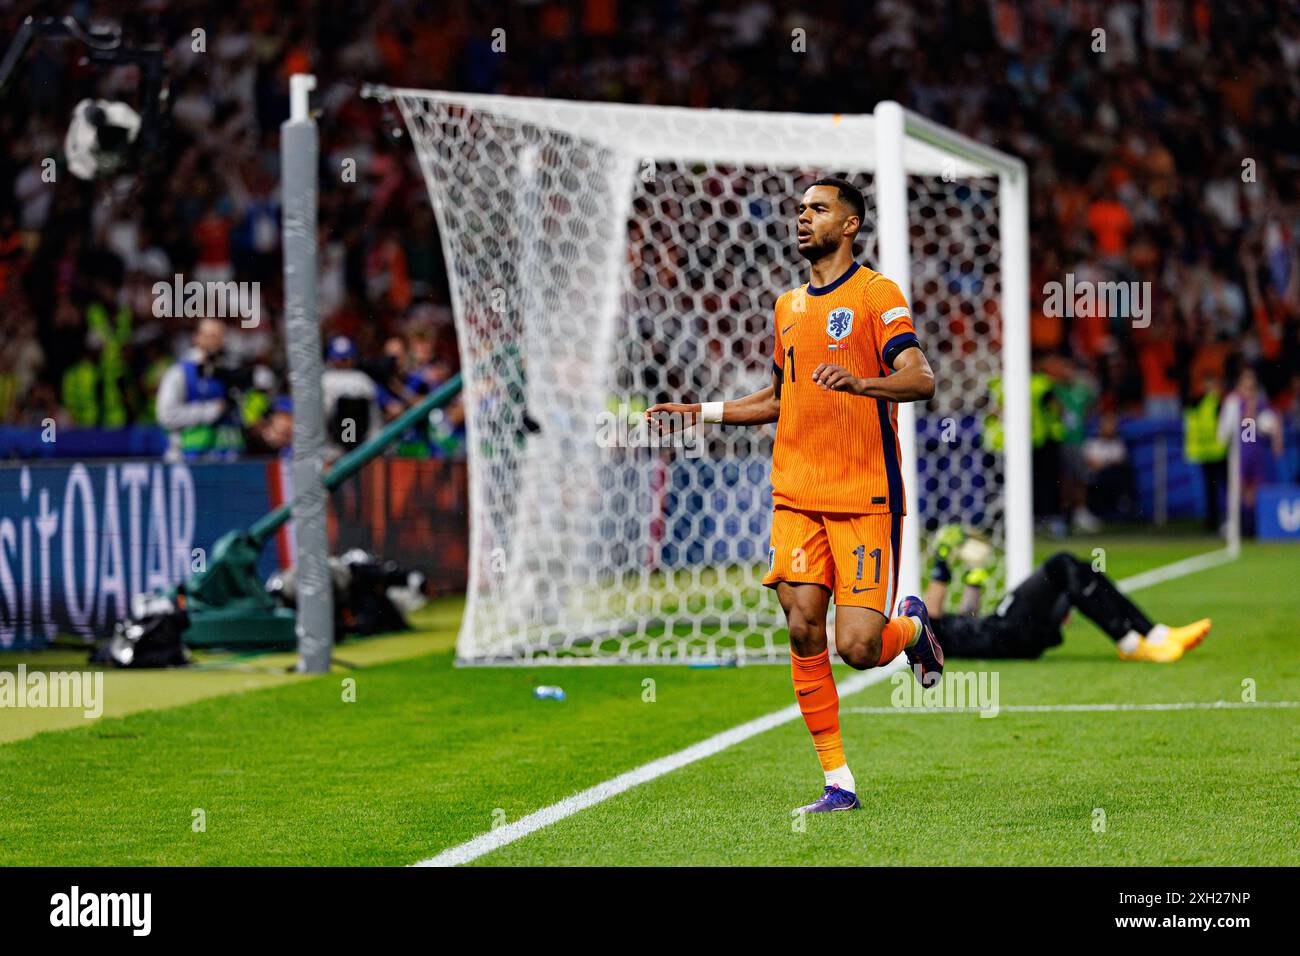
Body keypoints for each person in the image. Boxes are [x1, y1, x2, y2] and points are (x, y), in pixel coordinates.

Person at [647, 177, 940, 814]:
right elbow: (782, 399)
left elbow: (921, 379)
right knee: (804, 628)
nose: (802, 218)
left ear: (851, 223)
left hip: (864, 495)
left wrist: (863, 382)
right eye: (800, 209)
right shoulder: (788, 307)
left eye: (818, 209)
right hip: (798, 494)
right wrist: (701, 412)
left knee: (858, 648)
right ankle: (839, 782)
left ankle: (914, 629)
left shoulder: (875, 294)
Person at [922, 526, 1211, 663]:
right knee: (1061, 564)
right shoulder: (928, 633)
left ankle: (1154, 633)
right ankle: (1134, 643)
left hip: (1015, 637)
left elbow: (966, 617)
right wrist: (943, 559)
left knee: (1081, 574)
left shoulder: (946, 636)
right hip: (1006, 630)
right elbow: (932, 613)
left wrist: (975, 578)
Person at [155, 318, 245, 461]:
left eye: (219, 336)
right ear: (196, 337)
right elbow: (166, 416)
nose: (214, 342)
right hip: (188, 458)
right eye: (209, 336)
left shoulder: (229, 371)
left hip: (225, 457)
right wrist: (213, 410)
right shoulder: (179, 373)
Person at [1218, 366, 1284, 537]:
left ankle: (1253, 526)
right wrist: (1224, 440)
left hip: (1256, 451)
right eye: (1246, 379)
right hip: (1240, 452)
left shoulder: (1260, 400)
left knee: (1255, 490)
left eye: (1251, 379)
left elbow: (1273, 420)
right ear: (1240, 382)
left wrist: (1276, 439)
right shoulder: (1233, 401)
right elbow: (1228, 429)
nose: (1250, 383)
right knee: (1237, 488)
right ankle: (1233, 524)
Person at [321, 335, 381, 459]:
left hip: (340, 450)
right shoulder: (364, 380)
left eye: (345, 358)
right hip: (340, 449)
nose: (342, 361)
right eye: (339, 358)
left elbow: (374, 418)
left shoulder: (363, 380)